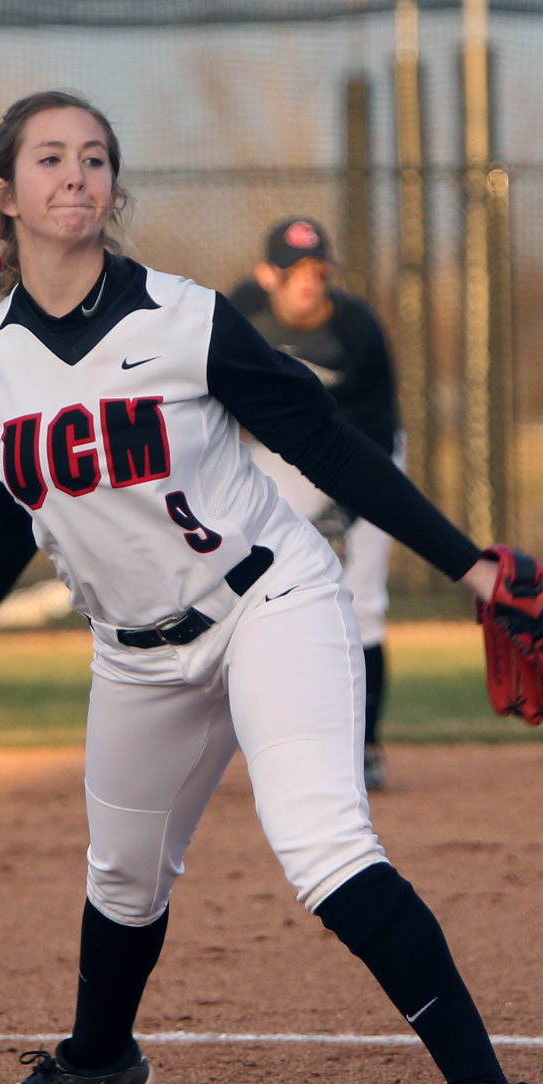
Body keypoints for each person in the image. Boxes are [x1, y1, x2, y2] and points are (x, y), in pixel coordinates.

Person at [0, 90, 543, 1084]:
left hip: (269, 603)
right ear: (6, 197)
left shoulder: (185, 319)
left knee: (322, 843)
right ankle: (100, 1054)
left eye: (95, 157)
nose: (75, 175)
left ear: (114, 190)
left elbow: (326, 443)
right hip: (135, 650)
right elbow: (6, 519)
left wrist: (469, 565)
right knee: (124, 875)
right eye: (49, 160)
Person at [229, 219, 401, 792]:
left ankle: (365, 747)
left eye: (316, 271)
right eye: (292, 271)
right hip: (280, 454)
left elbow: (376, 430)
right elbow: (214, 397)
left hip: (362, 451)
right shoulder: (241, 314)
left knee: (362, 601)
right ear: (265, 276)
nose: (306, 282)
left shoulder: (357, 330)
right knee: (257, 600)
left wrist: (347, 508)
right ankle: (278, 742)